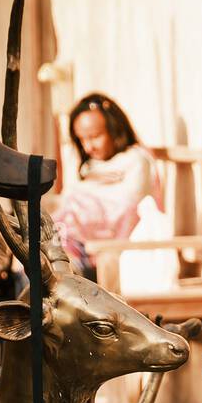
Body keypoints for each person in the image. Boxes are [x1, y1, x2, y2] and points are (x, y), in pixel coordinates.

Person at [52, 92, 162, 276]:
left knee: (52, 274)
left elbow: (126, 210)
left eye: (94, 136)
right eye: (81, 139)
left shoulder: (136, 161)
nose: (88, 147)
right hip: (68, 241)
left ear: (114, 129)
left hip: (104, 253)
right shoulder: (89, 166)